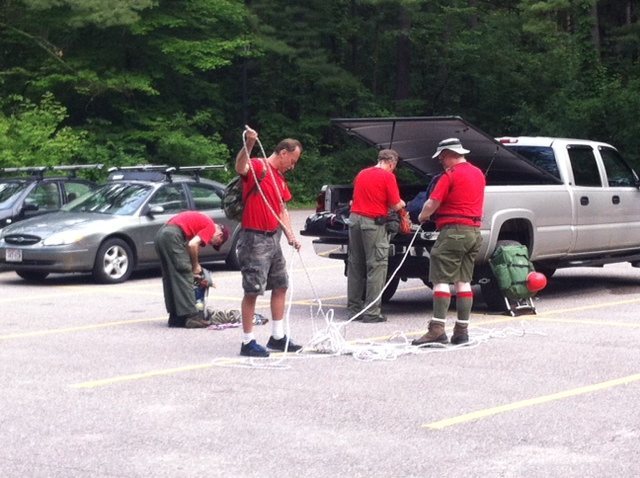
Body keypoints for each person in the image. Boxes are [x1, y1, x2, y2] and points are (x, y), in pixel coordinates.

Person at [234, 126, 303, 357]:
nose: (292, 166)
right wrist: (250, 143)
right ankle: (247, 341)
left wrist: (291, 236)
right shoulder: (258, 166)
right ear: (283, 153)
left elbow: (282, 209)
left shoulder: (279, 179)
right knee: (252, 290)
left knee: (281, 284)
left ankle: (277, 336)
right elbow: (239, 167)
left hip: (274, 238)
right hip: (254, 238)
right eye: (292, 161)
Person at [412, 138, 485, 346]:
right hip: (473, 232)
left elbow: (433, 201)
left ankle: (437, 330)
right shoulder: (478, 173)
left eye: (442, 157)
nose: (441, 162)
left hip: (453, 231)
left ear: (450, 154)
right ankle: (462, 331)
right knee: (463, 281)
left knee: (440, 279)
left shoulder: (450, 175)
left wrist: (422, 216)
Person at [347, 149, 406, 323]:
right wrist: (403, 203)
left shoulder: (362, 173)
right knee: (377, 266)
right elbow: (395, 204)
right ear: (392, 163)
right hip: (372, 224)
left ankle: (354, 310)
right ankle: (372, 312)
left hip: (354, 220)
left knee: (355, 266)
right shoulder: (388, 177)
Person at [155, 211, 229, 328]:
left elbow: (191, 245)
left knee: (171, 275)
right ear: (219, 235)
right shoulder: (210, 226)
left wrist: (194, 267)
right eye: (215, 243)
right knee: (184, 271)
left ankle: (175, 318)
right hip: (172, 235)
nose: (210, 243)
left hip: (162, 234)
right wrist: (194, 267)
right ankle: (192, 317)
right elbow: (193, 244)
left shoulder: (203, 221)